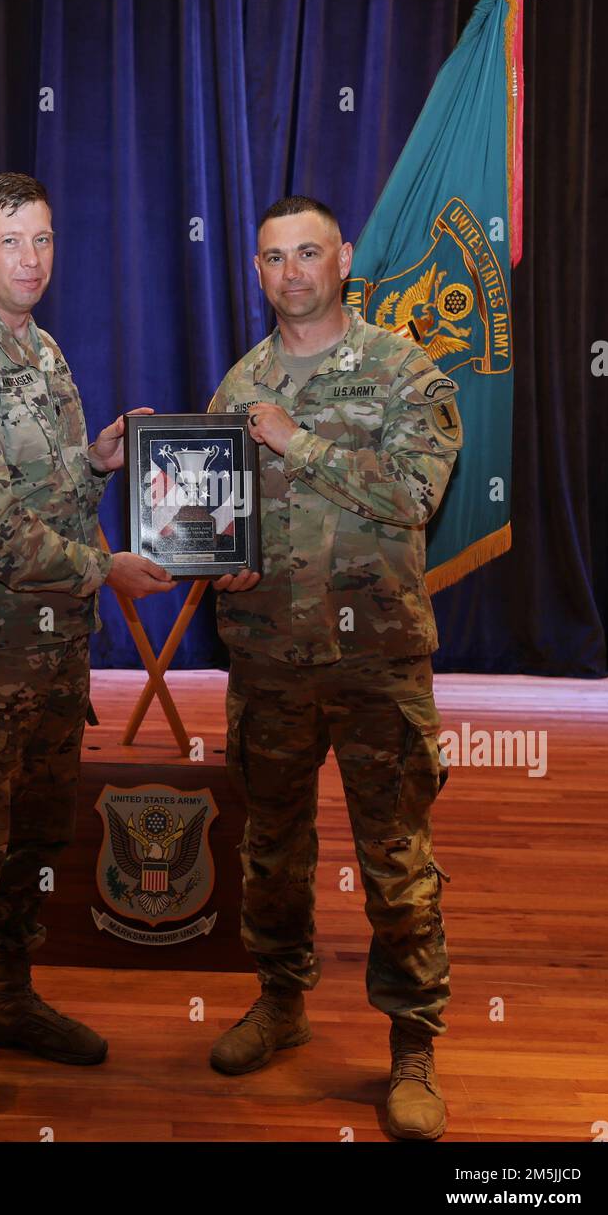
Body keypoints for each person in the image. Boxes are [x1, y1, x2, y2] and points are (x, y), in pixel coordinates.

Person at [0, 172, 174, 1110]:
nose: (32, 259)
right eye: (11, 242)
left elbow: (45, 502)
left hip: (54, 658)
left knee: (35, 838)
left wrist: (95, 465)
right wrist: (107, 570)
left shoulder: (45, 356)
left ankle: (6, 999)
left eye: (44, 240)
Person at [206, 195, 463, 1140]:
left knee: (395, 861)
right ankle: (280, 1002)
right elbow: (218, 516)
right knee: (270, 848)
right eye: (273, 257)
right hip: (268, 657)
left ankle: (412, 1045)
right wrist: (214, 557)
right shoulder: (238, 386)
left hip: (377, 664)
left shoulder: (406, 371)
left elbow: (411, 496)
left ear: (343, 256)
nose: (292, 272)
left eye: (308, 252)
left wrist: (298, 439)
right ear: (258, 269)